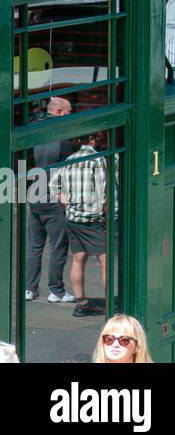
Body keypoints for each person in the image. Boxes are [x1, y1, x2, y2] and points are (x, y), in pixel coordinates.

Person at [50, 132, 108, 318]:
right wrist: (104, 211)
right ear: (91, 140)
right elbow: (103, 190)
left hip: (73, 218)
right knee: (106, 262)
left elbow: (52, 187)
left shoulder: (68, 160)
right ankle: (111, 306)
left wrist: (66, 202)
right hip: (93, 217)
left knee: (78, 258)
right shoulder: (97, 159)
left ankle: (81, 303)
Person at [24, 97, 75, 305]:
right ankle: (56, 290)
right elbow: (68, 170)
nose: (71, 115)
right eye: (70, 111)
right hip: (54, 200)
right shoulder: (64, 140)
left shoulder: (34, 136)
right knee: (57, 247)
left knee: (34, 247)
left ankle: (30, 288)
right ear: (60, 112)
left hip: (34, 198)